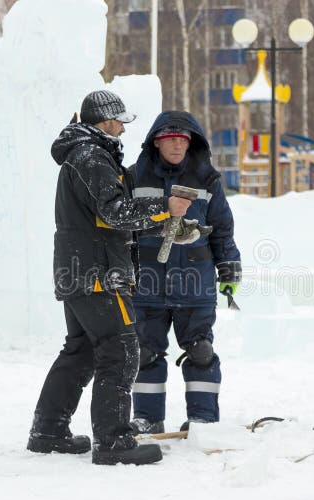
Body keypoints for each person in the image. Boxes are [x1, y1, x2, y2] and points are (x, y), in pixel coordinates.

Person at [27, 90, 193, 466]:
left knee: (81, 352)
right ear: (104, 121)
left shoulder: (81, 155)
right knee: (120, 350)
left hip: (78, 270)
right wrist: (164, 208)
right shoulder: (91, 156)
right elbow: (116, 213)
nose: (122, 128)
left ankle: (49, 431)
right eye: (119, 121)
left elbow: (104, 221)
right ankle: (113, 442)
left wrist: (165, 223)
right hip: (99, 273)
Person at [127, 110, 241, 434]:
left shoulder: (207, 179)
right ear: (156, 143)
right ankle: (148, 417)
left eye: (183, 140)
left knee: (201, 351)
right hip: (148, 284)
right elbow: (123, 226)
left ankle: (203, 418)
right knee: (145, 352)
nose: (177, 146)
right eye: (170, 140)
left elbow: (222, 230)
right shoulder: (135, 177)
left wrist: (229, 271)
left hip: (196, 283)